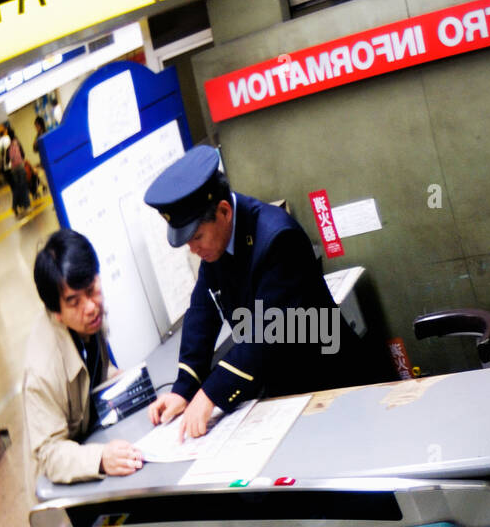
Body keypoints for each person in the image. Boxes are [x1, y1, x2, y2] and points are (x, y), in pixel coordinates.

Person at [144, 143, 382, 439]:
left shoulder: (278, 238)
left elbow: (266, 333)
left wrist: (209, 394)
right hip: (282, 391)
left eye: (196, 237)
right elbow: (202, 312)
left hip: (332, 382)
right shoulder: (215, 245)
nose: (193, 249)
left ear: (224, 211)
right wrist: (183, 388)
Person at [23, 229, 144, 483]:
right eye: (74, 302)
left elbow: (93, 369)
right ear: (56, 312)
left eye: (91, 290)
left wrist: (118, 380)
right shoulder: (42, 371)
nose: (90, 307)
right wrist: (101, 458)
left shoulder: (87, 319)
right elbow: (50, 453)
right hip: (59, 487)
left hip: (87, 439)